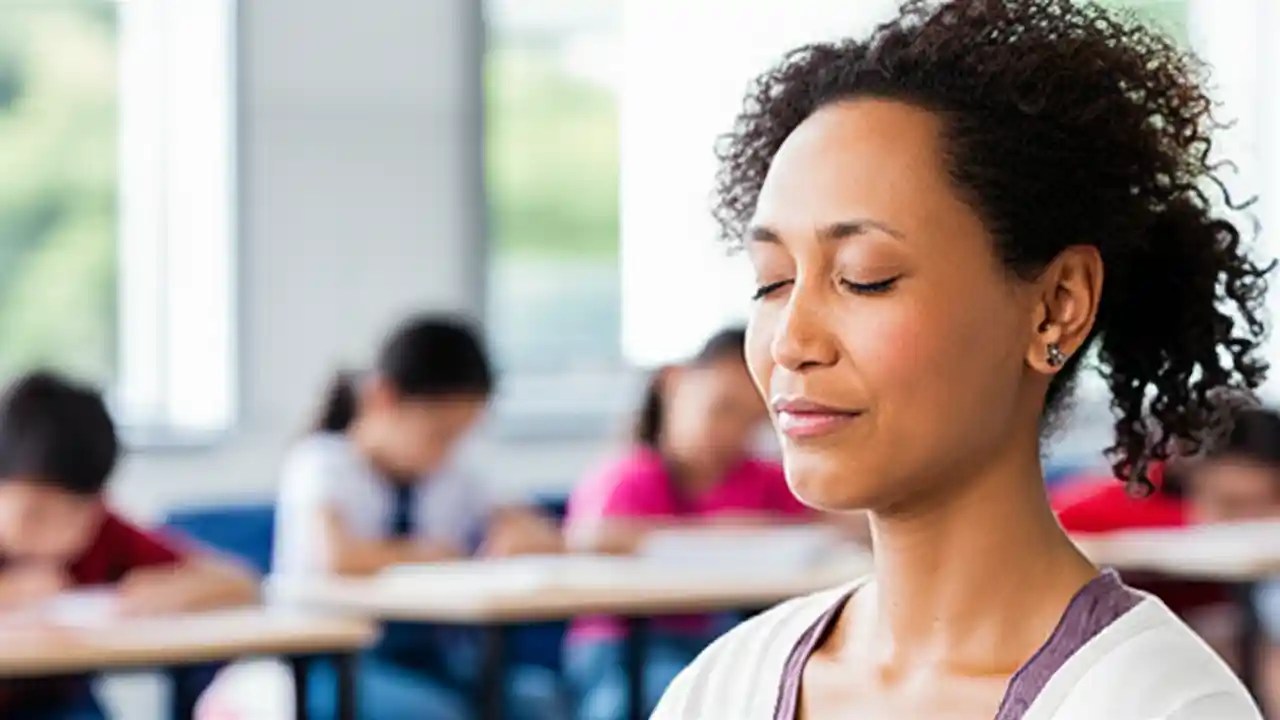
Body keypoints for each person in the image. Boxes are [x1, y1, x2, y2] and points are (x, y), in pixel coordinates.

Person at [653, 0, 1270, 717]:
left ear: (1057, 304)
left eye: (864, 276)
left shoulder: (1156, 704)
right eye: (772, 282)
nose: (791, 340)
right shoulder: (721, 689)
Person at [272, 314, 564, 720]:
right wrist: (439, 554)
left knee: (538, 701)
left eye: (461, 436)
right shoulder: (321, 463)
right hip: (334, 658)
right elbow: (340, 558)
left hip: (430, 658)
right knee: (435, 713)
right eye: (439, 434)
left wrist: (515, 535)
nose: (447, 449)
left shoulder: (454, 475)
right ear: (383, 397)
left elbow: (539, 532)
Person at [564, 327, 814, 720]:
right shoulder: (627, 474)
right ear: (674, 384)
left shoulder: (761, 478)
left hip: (715, 639)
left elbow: (840, 526)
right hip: (621, 647)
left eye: (753, 421)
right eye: (723, 408)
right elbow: (592, 537)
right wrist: (728, 534)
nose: (733, 434)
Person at [0, 372, 259, 720]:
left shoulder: (105, 532)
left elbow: (240, 580)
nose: (55, 538)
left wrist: (173, 590)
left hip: (57, 703)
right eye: (36, 514)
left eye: (76, 516)